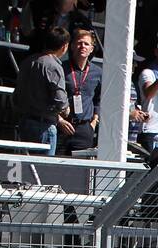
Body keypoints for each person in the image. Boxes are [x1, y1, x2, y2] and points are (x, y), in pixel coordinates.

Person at [14, 26, 72, 155]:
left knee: (27, 169)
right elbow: (60, 100)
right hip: (43, 125)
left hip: (25, 122)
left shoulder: (28, 62)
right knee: (42, 171)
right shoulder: (54, 66)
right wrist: (65, 108)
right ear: (64, 46)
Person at [59, 26, 99, 154]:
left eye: (86, 44)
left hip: (84, 129)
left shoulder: (97, 72)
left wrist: (93, 122)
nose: (83, 46)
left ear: (91, 49)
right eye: (79, 43)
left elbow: (99, 98)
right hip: (62, 127)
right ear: (71, 46)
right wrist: (59, 120)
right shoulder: (61, 68)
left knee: (81, 172)